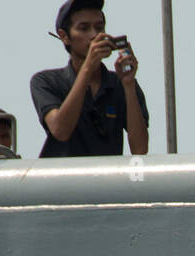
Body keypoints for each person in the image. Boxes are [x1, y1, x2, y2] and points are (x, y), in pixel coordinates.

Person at [30, 0, 148, 158]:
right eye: (84, 28)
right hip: (62, 181)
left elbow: (140, 149)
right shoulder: (46, 81)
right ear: (64, 36)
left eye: (99, 28)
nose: (94, 35)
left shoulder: (119, 84)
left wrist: (128, 84)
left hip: (107, 180)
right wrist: (88, 68)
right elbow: (60, 130)